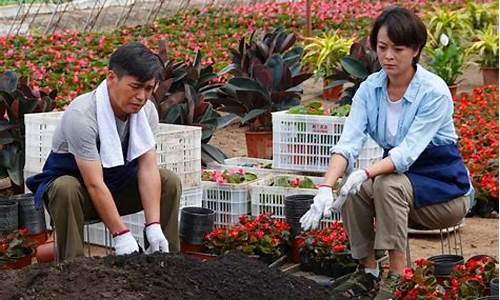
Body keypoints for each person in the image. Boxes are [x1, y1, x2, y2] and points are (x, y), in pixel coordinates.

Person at [300, 7, 471, 300]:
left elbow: (406, 154)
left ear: (416, 50)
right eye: (382, 47)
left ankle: (398, 276)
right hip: (401, 186)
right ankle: (368, 271)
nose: (388, 56)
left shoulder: (433, 92)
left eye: (398, 48)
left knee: (383, 183)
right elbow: (348, 143)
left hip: (444, 192)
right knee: (354, 189)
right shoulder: (371, 89)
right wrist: (326, 187)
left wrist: (365, 172)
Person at [26, 43, 181, 260]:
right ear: (111, 78)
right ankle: (73, 268)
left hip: (117, 187)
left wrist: (153, 225)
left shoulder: (147, 112)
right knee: (65, 187)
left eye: (148, 88)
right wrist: (121, 234)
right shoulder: (82, 115)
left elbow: (147, 168)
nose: (141, 96)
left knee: (168, 181)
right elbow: (93, 183)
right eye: (134, 86)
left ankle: (164, 258)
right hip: (80, 196)